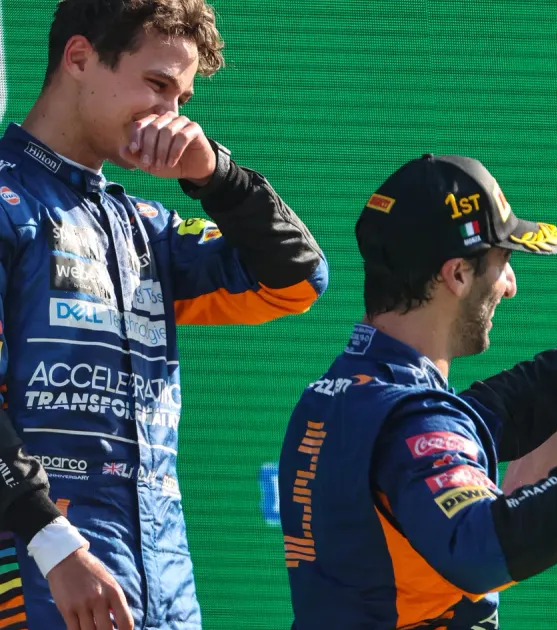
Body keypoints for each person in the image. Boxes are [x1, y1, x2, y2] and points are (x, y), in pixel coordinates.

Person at [277, 153, 557, 630]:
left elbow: (488, 414)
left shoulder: (346, 391)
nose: (510, 286)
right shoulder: (410, 416)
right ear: (457, 275)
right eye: (504, 261)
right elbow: (482, 548)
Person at [0, 0, 329, 628]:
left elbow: (297, 281)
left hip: (161, 580)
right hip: (37, 573)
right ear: (79, 58)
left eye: (181, 98)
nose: (170, 116)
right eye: (156, 85)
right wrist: (52, 542)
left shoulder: (146, 230)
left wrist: (218, 177)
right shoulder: (5, 201)